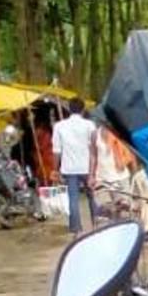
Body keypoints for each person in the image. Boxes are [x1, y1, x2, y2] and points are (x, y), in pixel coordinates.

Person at [51, 99, 99, 234]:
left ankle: (76, 229)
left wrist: (55, 170)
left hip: (69, 168)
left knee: (73, 199)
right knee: (92, 196)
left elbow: (56, 151)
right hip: (87, 167)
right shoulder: (90, 125)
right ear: (83, 110)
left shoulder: (59, 126)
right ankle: (97, 225)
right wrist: (93, 171)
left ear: (69, 109)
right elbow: (94, 149)